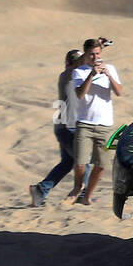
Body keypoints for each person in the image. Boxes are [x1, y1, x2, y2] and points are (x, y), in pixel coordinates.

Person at [70, 38, 123, 205]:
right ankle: (79, 186)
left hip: (105, 125)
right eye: (91, 54)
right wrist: (92, 75)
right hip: (85, 123)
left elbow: (119, 92)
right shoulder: (79, 72)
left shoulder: (111, 69)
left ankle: (87, 197)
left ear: (102, 53)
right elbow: (80, 94)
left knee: (101, 165)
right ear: (86, 54)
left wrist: (108, 75)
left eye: (97, 54)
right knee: (80, 163)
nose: (95, 57)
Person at [29, 49, 83, 206]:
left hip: (65, 127)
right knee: (83, 160)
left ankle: (40, 190)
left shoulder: (74, 76)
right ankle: (82, 194)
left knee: (67, 162)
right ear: (71, 63)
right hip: (68, 128)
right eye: (79, 62)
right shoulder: (68, 74)